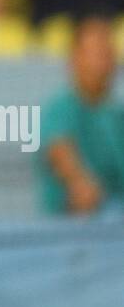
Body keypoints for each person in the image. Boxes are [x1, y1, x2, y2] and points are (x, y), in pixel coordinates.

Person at [36, 17, 124, 214]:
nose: (104, 61)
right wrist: (79, 183)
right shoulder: (60, 109)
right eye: (96, 53)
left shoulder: (117, 115)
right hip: (75, 230)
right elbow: (59, 150)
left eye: (108, 52)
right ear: (75, 58)